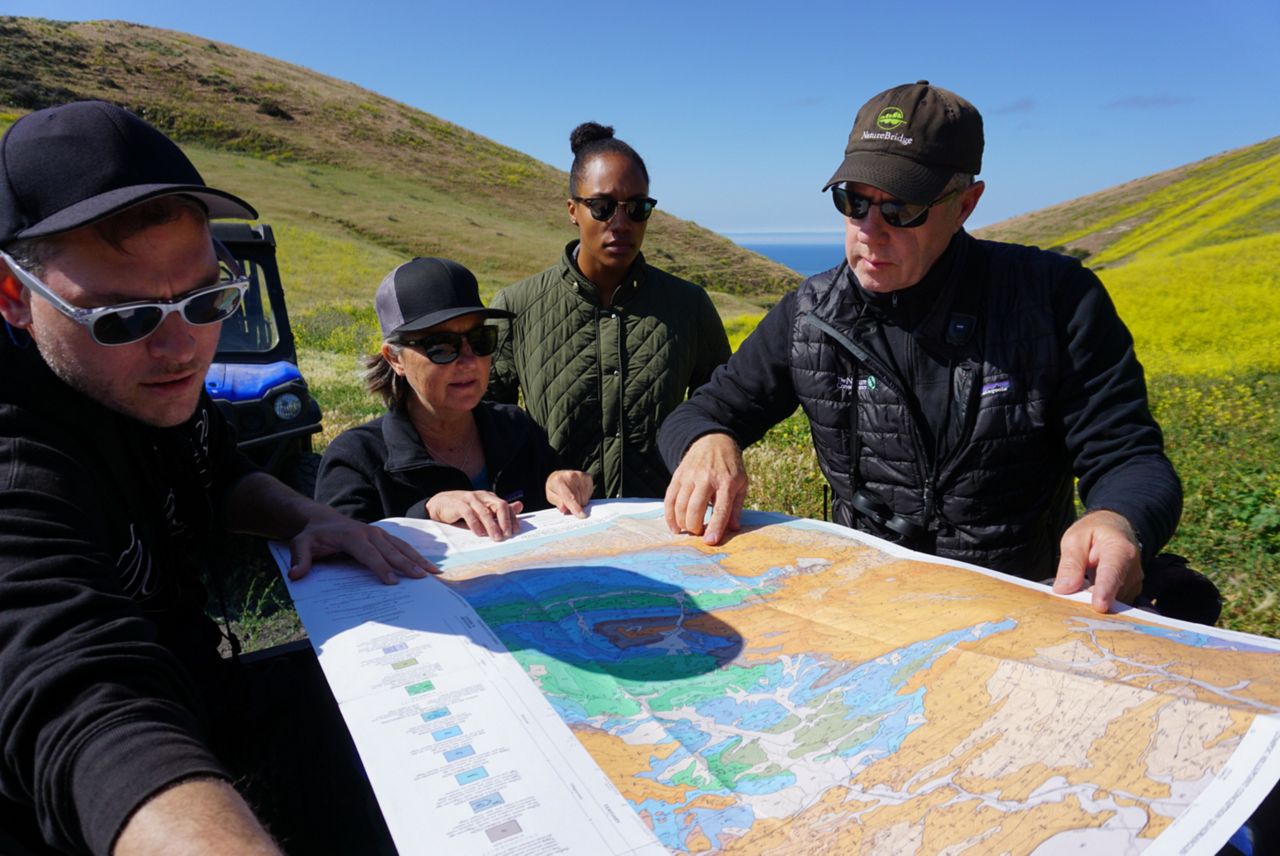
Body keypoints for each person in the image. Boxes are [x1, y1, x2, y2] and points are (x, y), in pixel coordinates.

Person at [0, 101, 434, 855]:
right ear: (14, 299)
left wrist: (304, 517)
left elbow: (218, 465)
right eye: (122, 318)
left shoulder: (140, 378)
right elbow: (82, 704)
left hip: (208, 689)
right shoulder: (18, 461)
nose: (182, 349)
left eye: (207, 302)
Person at [659, 80, 1219, 624]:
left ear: (966, 203)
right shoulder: (810, 314)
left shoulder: (1056, 300)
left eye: (901, 207)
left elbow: (1128, 456)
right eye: (854, 202)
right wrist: (708, 440)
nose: (871, 230)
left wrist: (1117, 519)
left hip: (1020, 608)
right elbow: (703, 411)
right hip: (867, 606)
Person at [487, 122, 731, 499]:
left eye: (637, 208)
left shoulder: (688, 306)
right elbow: (483, 424)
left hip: (666, 529)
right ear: (573, 210)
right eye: (602, 207)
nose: (621, 224)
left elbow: (721, 408)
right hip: (553, 531)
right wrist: (538, 478)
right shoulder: (516, 307)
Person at [316, 257, 593, 536]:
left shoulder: (517, 430)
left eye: (480, 339)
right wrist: (426, 512)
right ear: (394, 359)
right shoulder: (356, 459)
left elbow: (553, 502)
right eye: (441, 345)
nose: (469, 360)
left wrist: (560, 483)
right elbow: (337, 550)